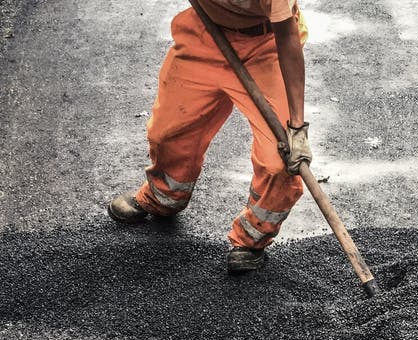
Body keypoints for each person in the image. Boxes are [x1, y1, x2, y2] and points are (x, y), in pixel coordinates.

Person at [107, 0, 312, 274]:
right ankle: (165, 196)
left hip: (267, 45)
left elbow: (287, 37)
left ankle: (252, 237)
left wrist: (296, 127)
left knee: (280, 161)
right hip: (206, 33)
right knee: (166, 133)